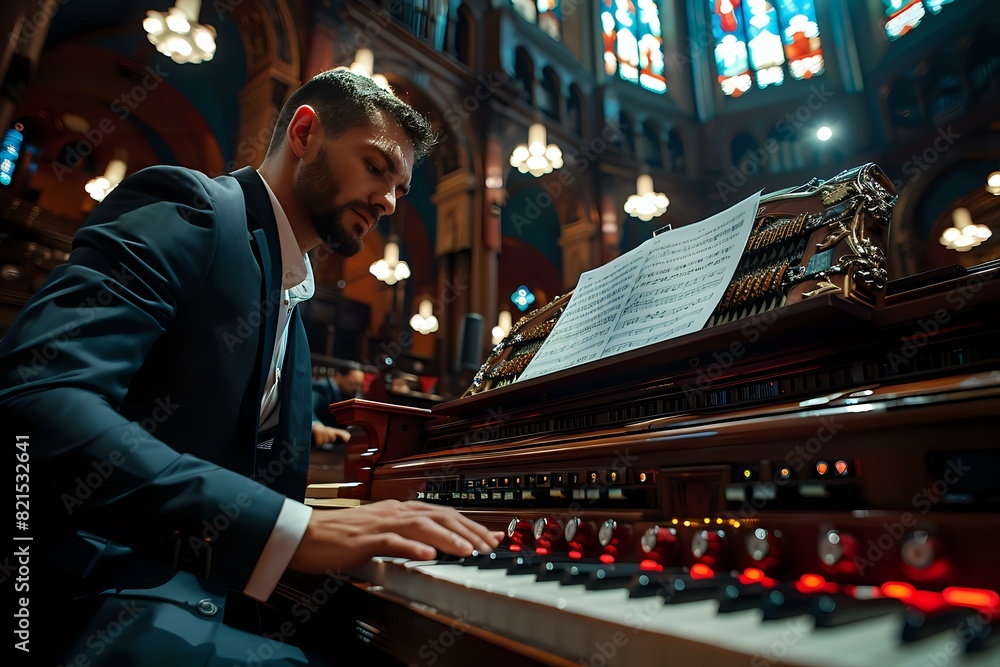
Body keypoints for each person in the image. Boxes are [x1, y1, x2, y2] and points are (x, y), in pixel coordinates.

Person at [0, 69, 503, 666]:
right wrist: (298, 530)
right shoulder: (194, 208)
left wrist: (346, 523)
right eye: (375, 167)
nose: (388, 201)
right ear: (306, 132)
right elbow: (37, 401)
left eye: (399, 187)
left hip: (199, 595)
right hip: (82, 596)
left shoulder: (291, 295)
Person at [311, 360, 366, 445]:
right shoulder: (321, 388)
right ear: (339, 375)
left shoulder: (346, 393)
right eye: (354, 384)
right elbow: (306, 409)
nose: (356, 389)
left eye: (359, 385)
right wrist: (316, 425)